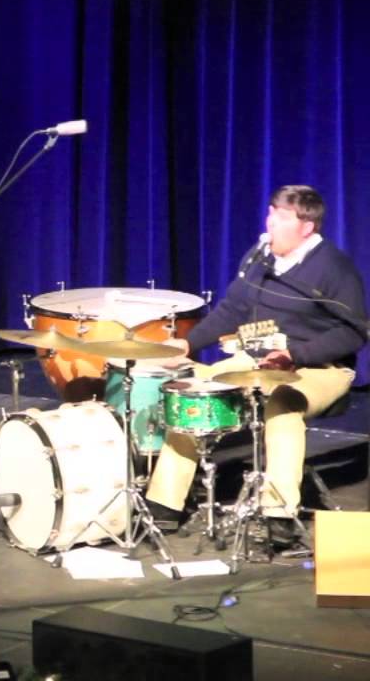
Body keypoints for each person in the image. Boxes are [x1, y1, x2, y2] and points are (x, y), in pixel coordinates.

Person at [147, 185, 366, 546]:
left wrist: (295, 354)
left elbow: (354, 334)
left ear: (306, 227)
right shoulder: (260, 258)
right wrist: (188, 343)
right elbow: (231, 310)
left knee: (283, 403)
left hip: (321, 368)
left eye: (281, 218)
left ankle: (279, 513)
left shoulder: (334, 268)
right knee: (192, 389)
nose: (270, 223)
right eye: (270, 213)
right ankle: (165, 502)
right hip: (260, 360)